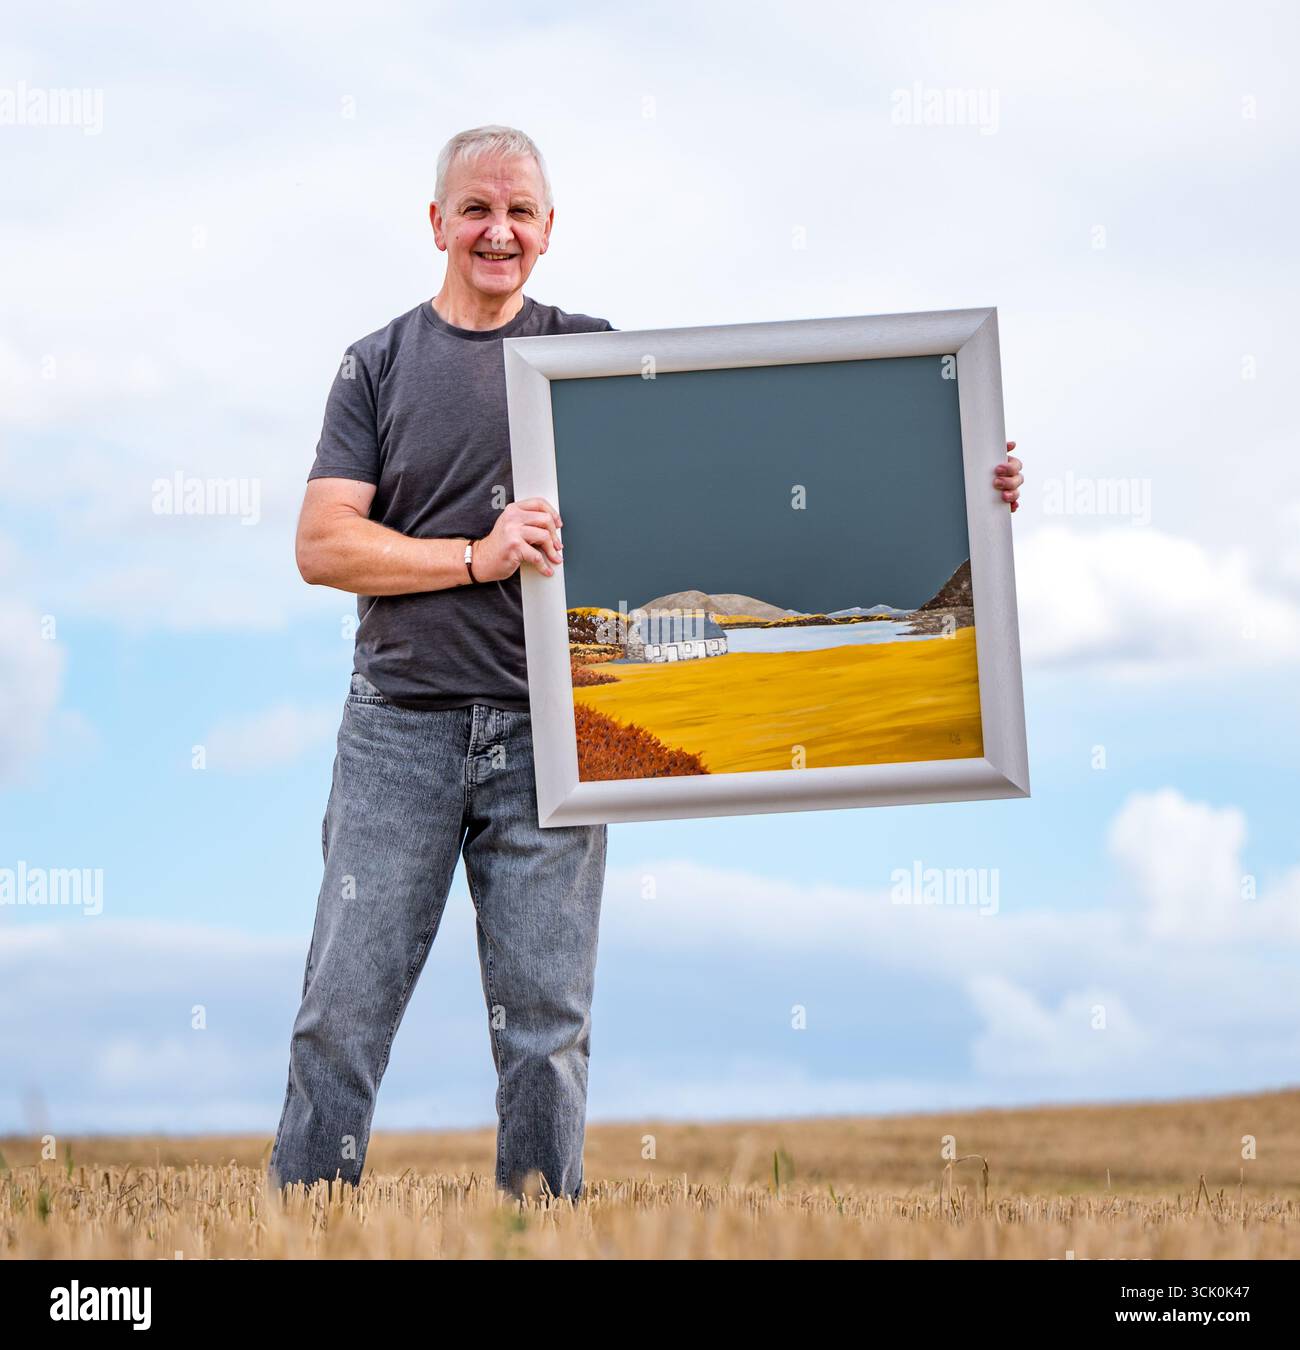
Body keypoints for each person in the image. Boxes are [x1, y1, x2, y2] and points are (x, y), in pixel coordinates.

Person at [267, 123, 1025, 1202]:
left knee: (546, 1021)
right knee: (342, 1006)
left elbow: (748, 472)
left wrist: (963, 475)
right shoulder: (376, 364)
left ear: (548, 230)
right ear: (436, 222)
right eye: (476, 209)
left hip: (555, 739)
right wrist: (476, 556)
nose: (498, 230)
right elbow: (321, 543)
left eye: (519, 211)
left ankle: (537, 1229)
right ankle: (302, 1223)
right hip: (399, 726)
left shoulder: (588, 361)